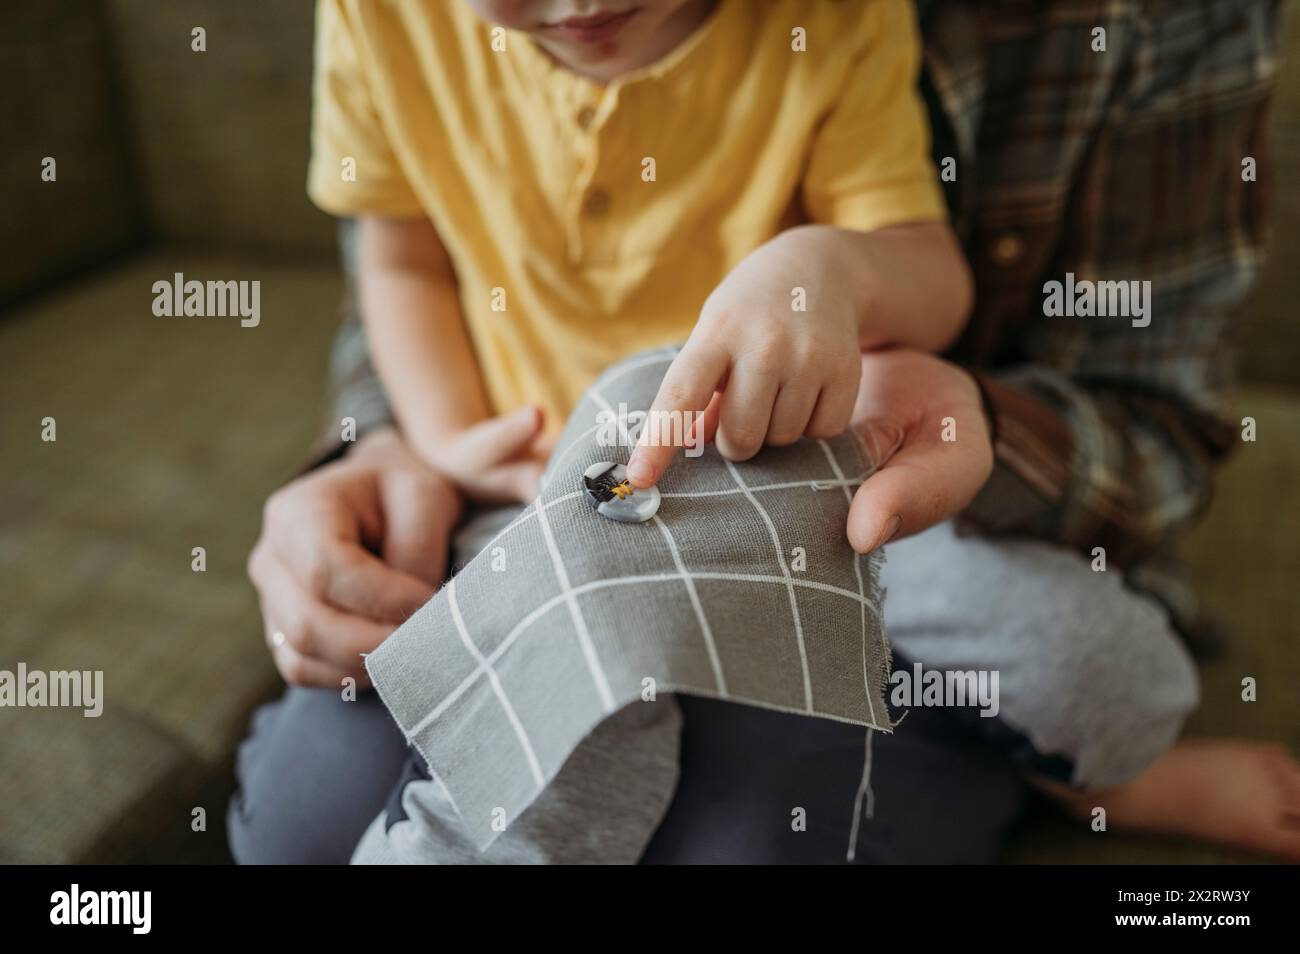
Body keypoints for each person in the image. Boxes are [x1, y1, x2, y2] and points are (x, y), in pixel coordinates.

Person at [230, 0, 1300, 863]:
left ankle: (1092, 771)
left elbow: (926, 270)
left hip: (794, 485)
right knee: (511, 762)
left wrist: (830, 270)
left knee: (1092, 661)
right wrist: (433, 434)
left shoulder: (825, 23)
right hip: (554, 499)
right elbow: (401, 257)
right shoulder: (381, 20)